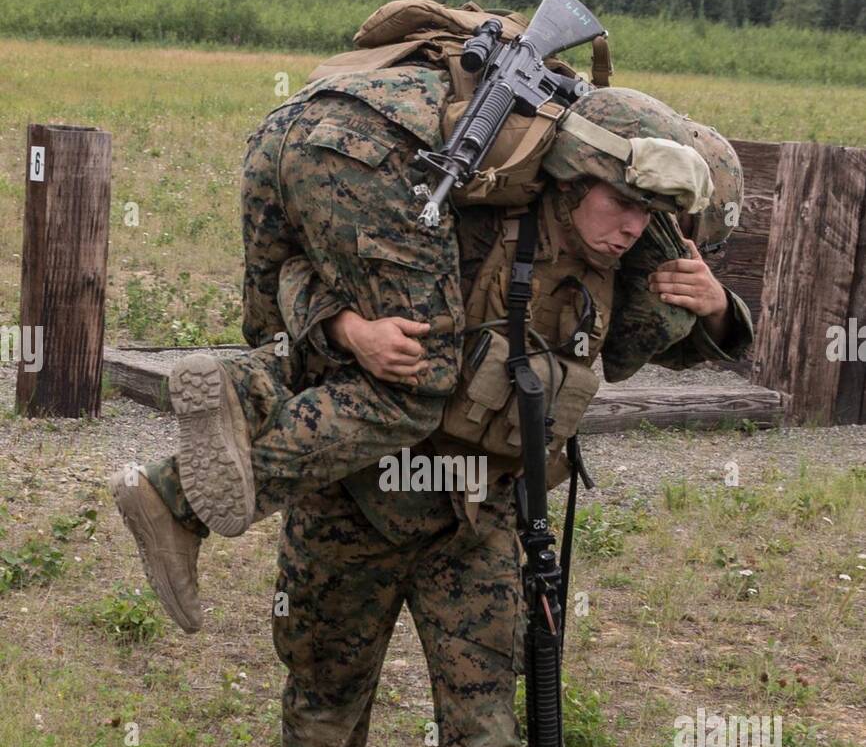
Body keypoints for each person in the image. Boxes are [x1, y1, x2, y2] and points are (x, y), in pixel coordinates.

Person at [112, 81, 745, 635]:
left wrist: (714, 307)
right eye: (635, 206)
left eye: (663, 219)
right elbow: (303, 274)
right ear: (584, 172)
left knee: (482, 726)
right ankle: (200, 456)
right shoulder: (467, 201)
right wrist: (349, 328)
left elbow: (638, 347)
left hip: (476, 510)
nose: (639, 231)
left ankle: (228, 404)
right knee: (415, 384)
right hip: (355, 497)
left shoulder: (624, 258)